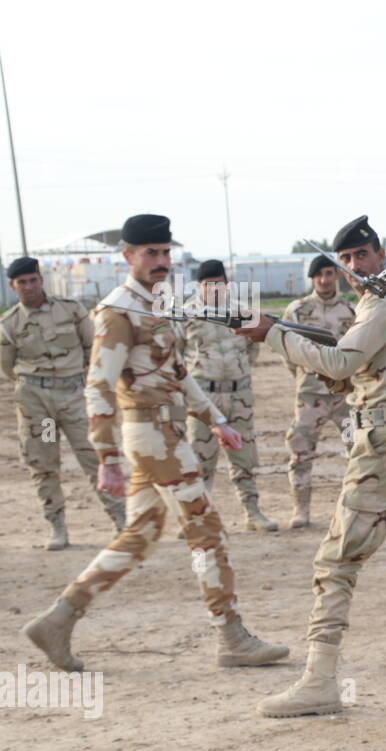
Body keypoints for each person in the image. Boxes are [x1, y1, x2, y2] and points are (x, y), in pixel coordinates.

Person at [21, 214, 287, 671]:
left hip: (162, 431)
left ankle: (59, 619)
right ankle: (231, 635)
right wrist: (106, 457)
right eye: (151, 253)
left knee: (141, 532)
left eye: (166, 252)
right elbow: (98, 385)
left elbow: (177, 371)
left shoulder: (156, 303)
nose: (161, 261)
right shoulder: (118, 310)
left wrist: (217, 419)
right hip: (150, 433)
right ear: (127, 256)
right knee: (206, 530)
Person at [238, 216, 386, 717]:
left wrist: (271, 333)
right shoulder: (382, 301)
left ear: (380, 255)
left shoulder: (385, 300)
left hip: (385, 438)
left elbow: (344, 361)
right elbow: (362, 371)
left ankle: (320, 680)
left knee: (336, 557)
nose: (351, 267)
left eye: (360, 256)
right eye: (344, 260)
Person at [1, 256, 125, 548]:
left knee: (94, 457)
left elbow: (90, 347)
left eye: (33, 280)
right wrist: (37, 383)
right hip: (40, 408)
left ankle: (121, 520)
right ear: (12, 285)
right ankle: (57, 527)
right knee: (45, 461)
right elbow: (7, 367)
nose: (29, 287)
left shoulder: (71, 310)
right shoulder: (9, 324)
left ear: (41, 280)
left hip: (74, 399)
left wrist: (74, 377)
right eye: (22, 282)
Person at [175, 260, 278, 532]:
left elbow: (252, 349)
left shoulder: (241, 312)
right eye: (208, 285)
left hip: (239, 395)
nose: (214, 289)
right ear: (199, 287)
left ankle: (252, 513)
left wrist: (238, 373)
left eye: (218, 283)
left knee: (244, 457)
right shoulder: (186, 315)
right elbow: (176, 356)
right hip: (203, 398)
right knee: (200, 460)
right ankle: (197, 518)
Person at [281, 253, 357, 528]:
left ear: (336, 275)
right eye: (319, 275)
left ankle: (354, 509)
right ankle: (300, 510)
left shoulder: (350, 312)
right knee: (301, 451)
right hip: (311, 396)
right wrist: (304, 376)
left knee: (357, 450)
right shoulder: (297, 311)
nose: (325, 280)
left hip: (345, 397)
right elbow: (287, 351)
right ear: (312, 279)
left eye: (329, 273)